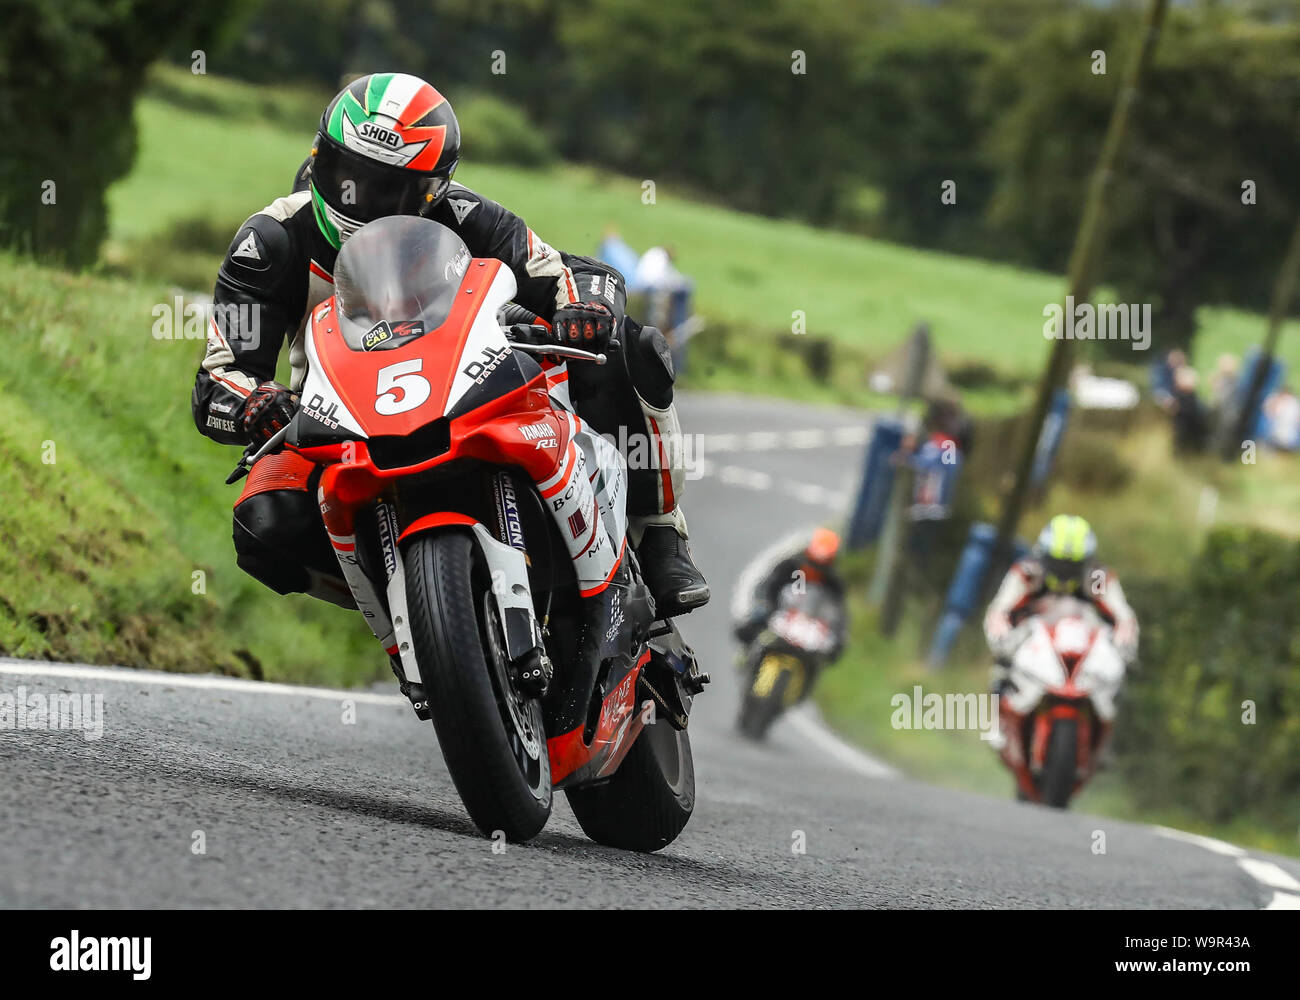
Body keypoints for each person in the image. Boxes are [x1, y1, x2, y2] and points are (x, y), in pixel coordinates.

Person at [191, 73, 709, 710]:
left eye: (389, 189)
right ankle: (407, 608)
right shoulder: (269, 242)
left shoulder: (465, 215)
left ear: (431, 190)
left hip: (470, 380)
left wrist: (588, 309)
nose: (362, 200)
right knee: (264, 522)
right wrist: (254, 402)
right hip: (337, 415)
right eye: (346, 173)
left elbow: (574, 272)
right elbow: (217, 373)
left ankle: (660, 533)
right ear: (318, 158)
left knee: (632, 349)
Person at [983, 515, 1138, 692]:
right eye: (1057, 564)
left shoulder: (1097, 578)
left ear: (1087, 562)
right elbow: (999, 611)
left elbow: (1123, 617)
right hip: (1031, 654)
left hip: (1087, 661)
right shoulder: (1028, 573)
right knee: (1002, 679)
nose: (1064, 573)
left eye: (1073, 567)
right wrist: (1003, 644)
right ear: (1043, 556)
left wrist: (1124, 650)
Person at [732, 528, 848, 660]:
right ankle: (747, 651)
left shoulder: (833, 585)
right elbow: (769, 587)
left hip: (806, 630)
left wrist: (837, 638)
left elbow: (839, 616)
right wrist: (768, 607)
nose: (816, 569)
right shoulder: (790, 566)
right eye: (813, 563)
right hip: (780, 614)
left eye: (822, 566)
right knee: (754, 619)